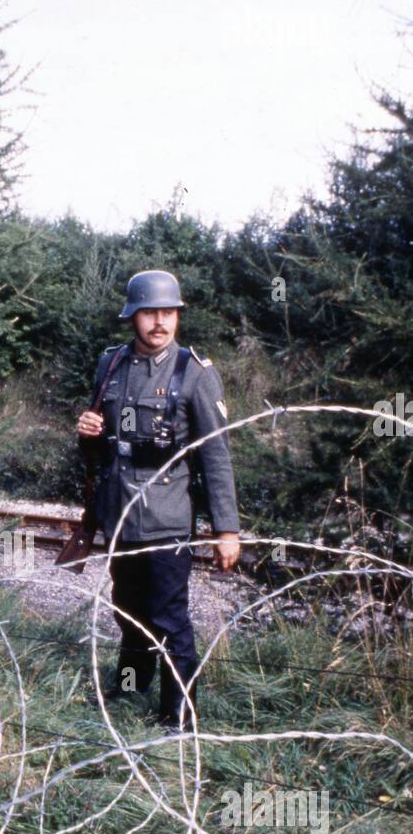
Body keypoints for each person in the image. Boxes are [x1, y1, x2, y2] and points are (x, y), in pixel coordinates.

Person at [76, 269, 240, 728]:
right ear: (134, 317)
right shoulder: (110, 365)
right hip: (120, 514)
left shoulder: (194, 373)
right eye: (151, 313)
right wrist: (89, 433)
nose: (160, 322)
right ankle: (131, 686)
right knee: (126, 610)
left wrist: (227, 529)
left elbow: (217, 456)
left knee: (169, 618)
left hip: (167, 516)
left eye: (168, 313)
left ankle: (179, 712)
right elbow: (102, 445)